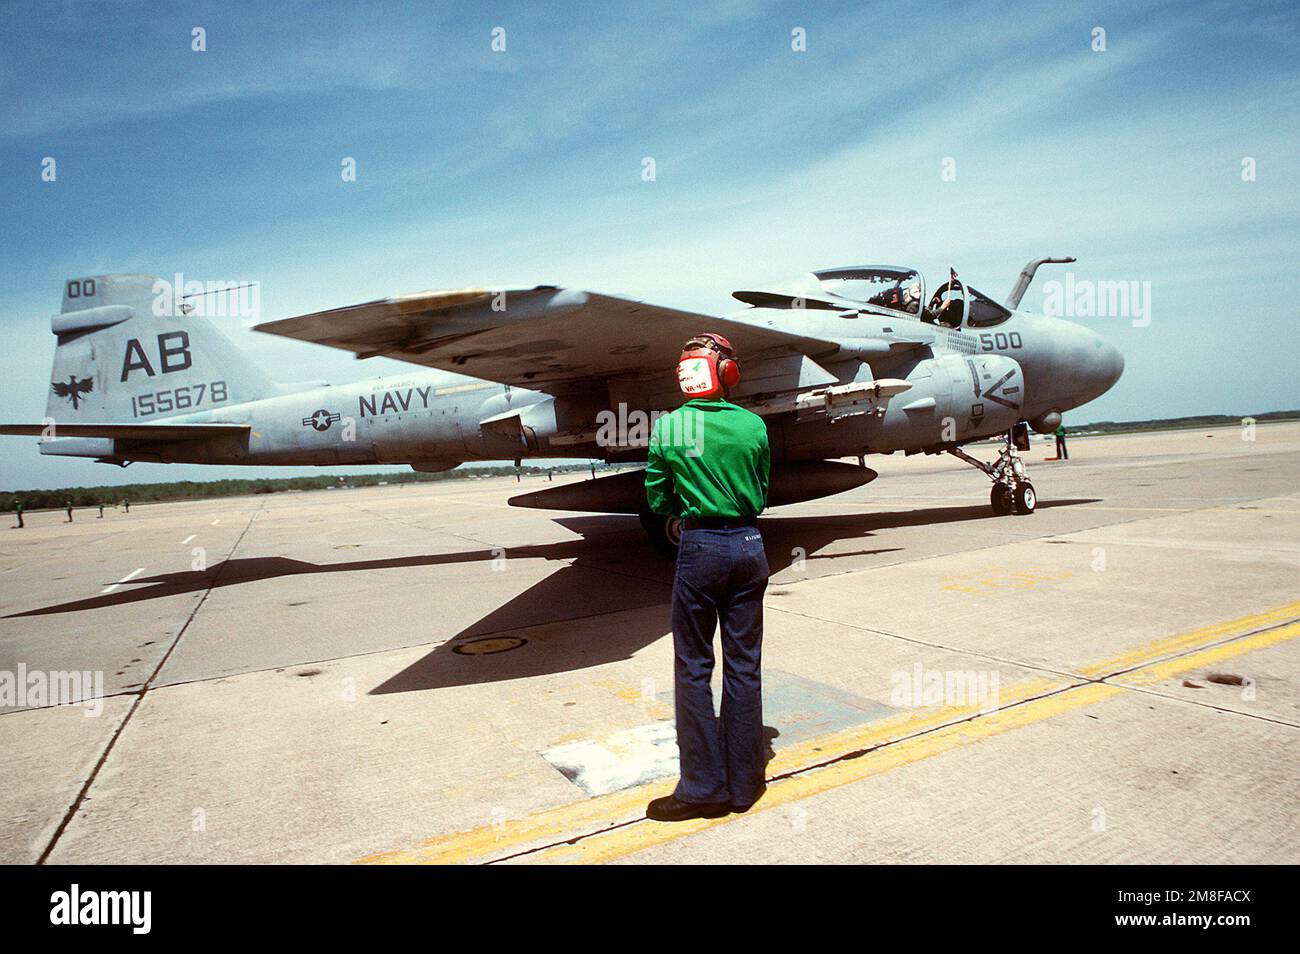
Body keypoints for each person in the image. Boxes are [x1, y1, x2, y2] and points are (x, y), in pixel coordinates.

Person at [644, 333, 771, 822]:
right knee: (745, 665)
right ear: (727, 374)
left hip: (699, 550)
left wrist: (684, 506)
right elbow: (761, 490)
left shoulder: (671, 428)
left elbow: (657, 497)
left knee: (694, 668)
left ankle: (701, 788)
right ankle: (745, 784)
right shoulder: (753, 425)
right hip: (749, 546)